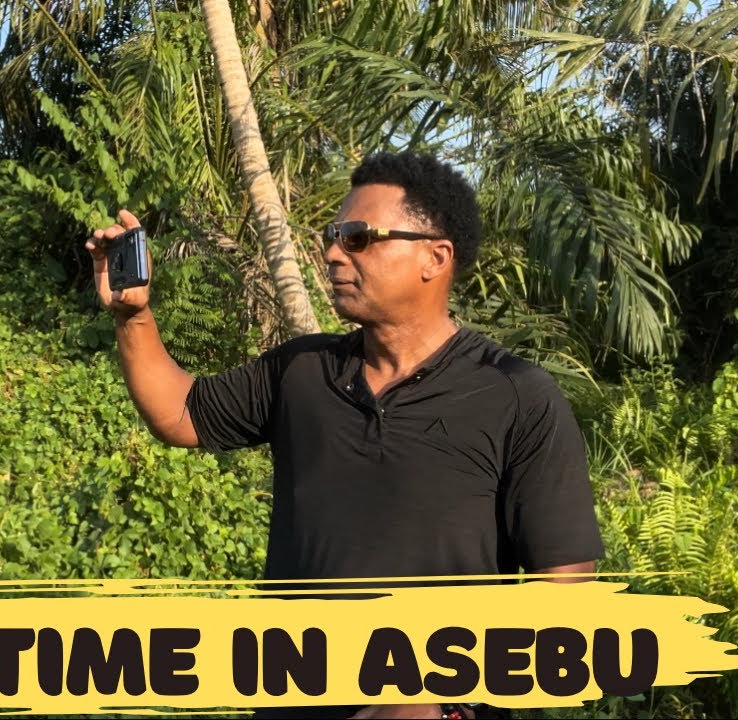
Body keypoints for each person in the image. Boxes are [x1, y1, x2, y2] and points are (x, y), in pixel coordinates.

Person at [84, 151, 605, 720]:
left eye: (358, 238)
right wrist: (133, 316)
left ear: (435, 258)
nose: (333, 253)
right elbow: (181, 414)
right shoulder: (302, 372)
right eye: (333, 237)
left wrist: (442, 701)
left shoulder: (515, 395)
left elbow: (565, 586)